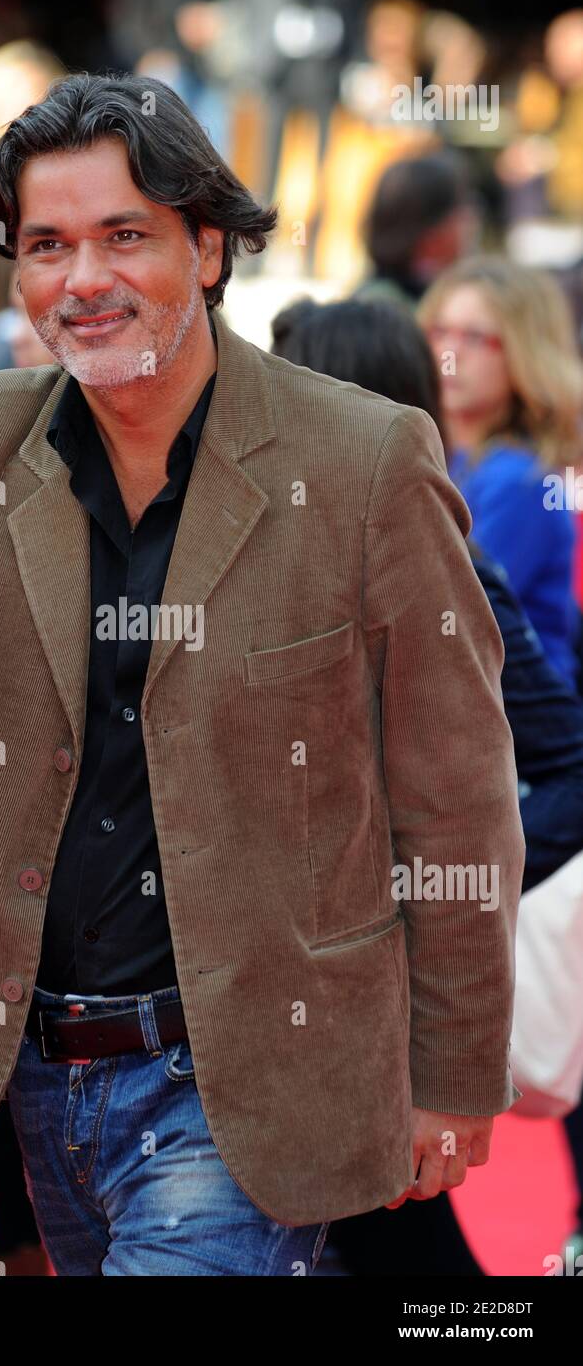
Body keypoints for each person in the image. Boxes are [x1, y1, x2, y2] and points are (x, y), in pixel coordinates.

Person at [0, 71, 524, 1278]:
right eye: (45, 246)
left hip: (248, 1078)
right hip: (35, 1074)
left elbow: (454, 784)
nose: (80, 280)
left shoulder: (359, 461)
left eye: (122, 236)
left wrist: (453, 1071)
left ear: (206, 247)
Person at [271, 294, 583, 1272]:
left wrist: (431, 896)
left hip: (369, 989)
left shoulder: (451, 544)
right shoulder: (274, 547)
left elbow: (567, 761)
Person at [418, 255, 583, 688]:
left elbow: (443, 623)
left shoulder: (519, 480)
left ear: (526, 351)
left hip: (520, 738)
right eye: (439, 330)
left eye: (475, 337)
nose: (449, 353)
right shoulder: (442, 453)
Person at [354, 152, 479, 311]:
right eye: (461, 211)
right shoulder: (384, 311)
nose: (470, 222)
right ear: (431, 234)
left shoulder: (429, 295)